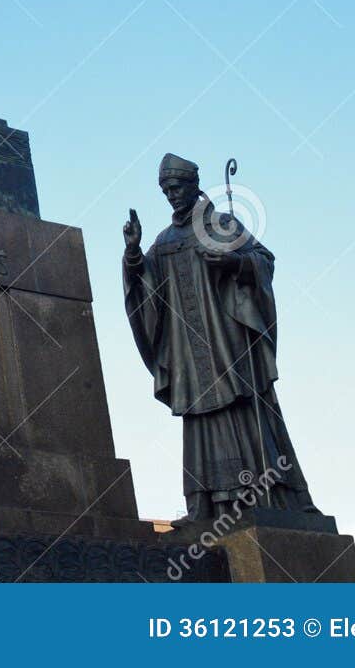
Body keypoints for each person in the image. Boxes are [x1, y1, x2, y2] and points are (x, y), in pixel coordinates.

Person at [123, 153, 320, 527]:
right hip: (188, 351)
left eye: (177, 187)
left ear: (195, 185)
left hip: (227, 341)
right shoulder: (164, 241)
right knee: (200, 419)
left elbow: (263, 260)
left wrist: (234, 263)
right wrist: (133, 252)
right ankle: (204, 507)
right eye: (166, 191)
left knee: (244, 410)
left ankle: (264, 496)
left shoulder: (222, 224)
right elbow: (144, 286)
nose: (172, 195)